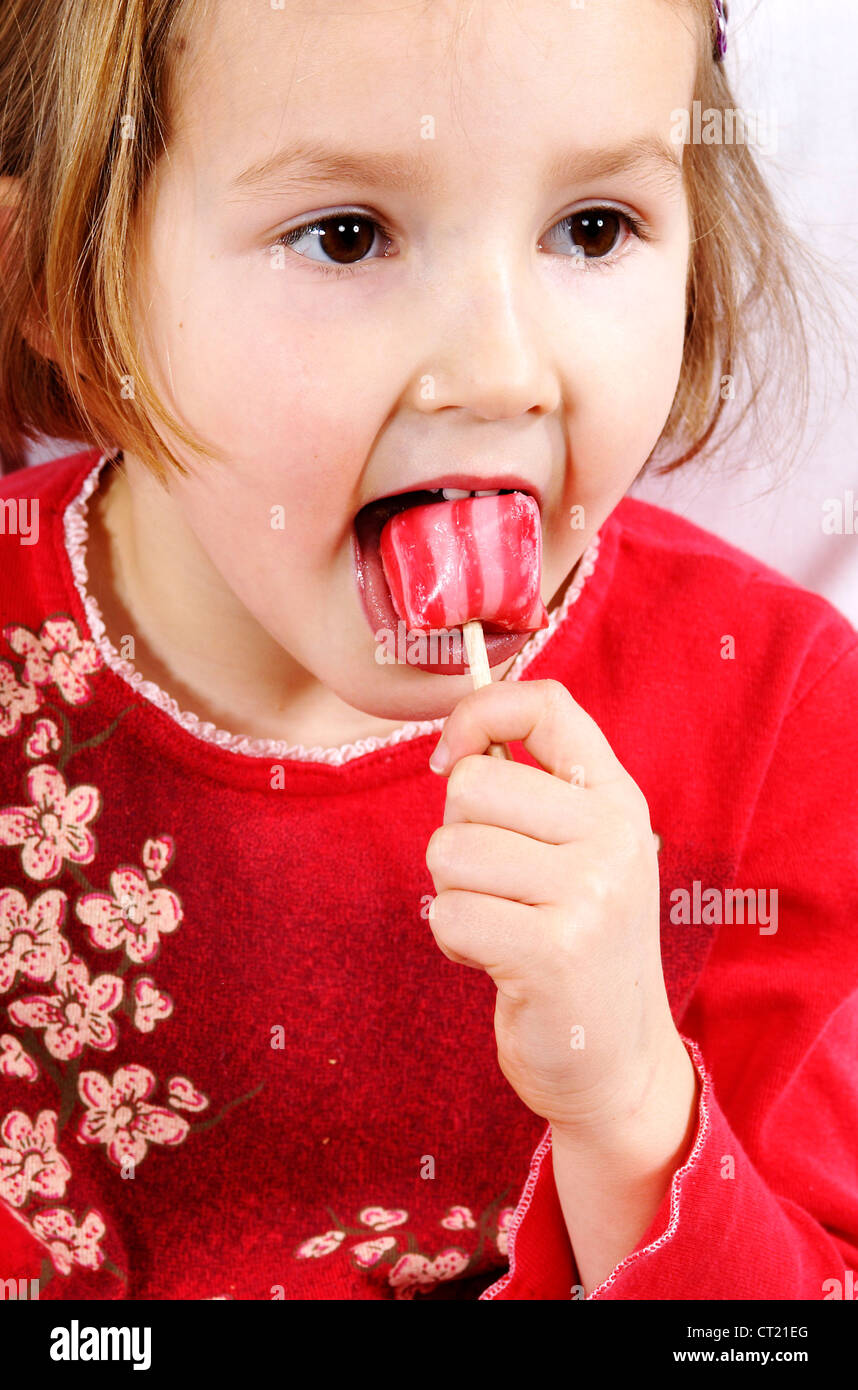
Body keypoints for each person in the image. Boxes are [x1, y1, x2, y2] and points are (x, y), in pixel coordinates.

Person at [0, 0, 855, 1301]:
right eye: (346, 236)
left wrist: (629, 1110)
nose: (500, 371)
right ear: (63, 285)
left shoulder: (781, 722)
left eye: (592, 227)